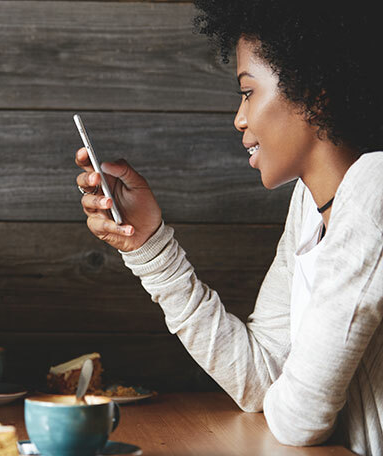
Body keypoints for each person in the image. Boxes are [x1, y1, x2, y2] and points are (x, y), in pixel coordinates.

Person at [75, 1, 383, 454]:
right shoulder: (308, 206)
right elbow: (259, 379)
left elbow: (300, 420)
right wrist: (150, 247)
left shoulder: (374, 188)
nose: (240, 118)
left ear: (316, 91)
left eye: (247, 92)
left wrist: (289, 393)